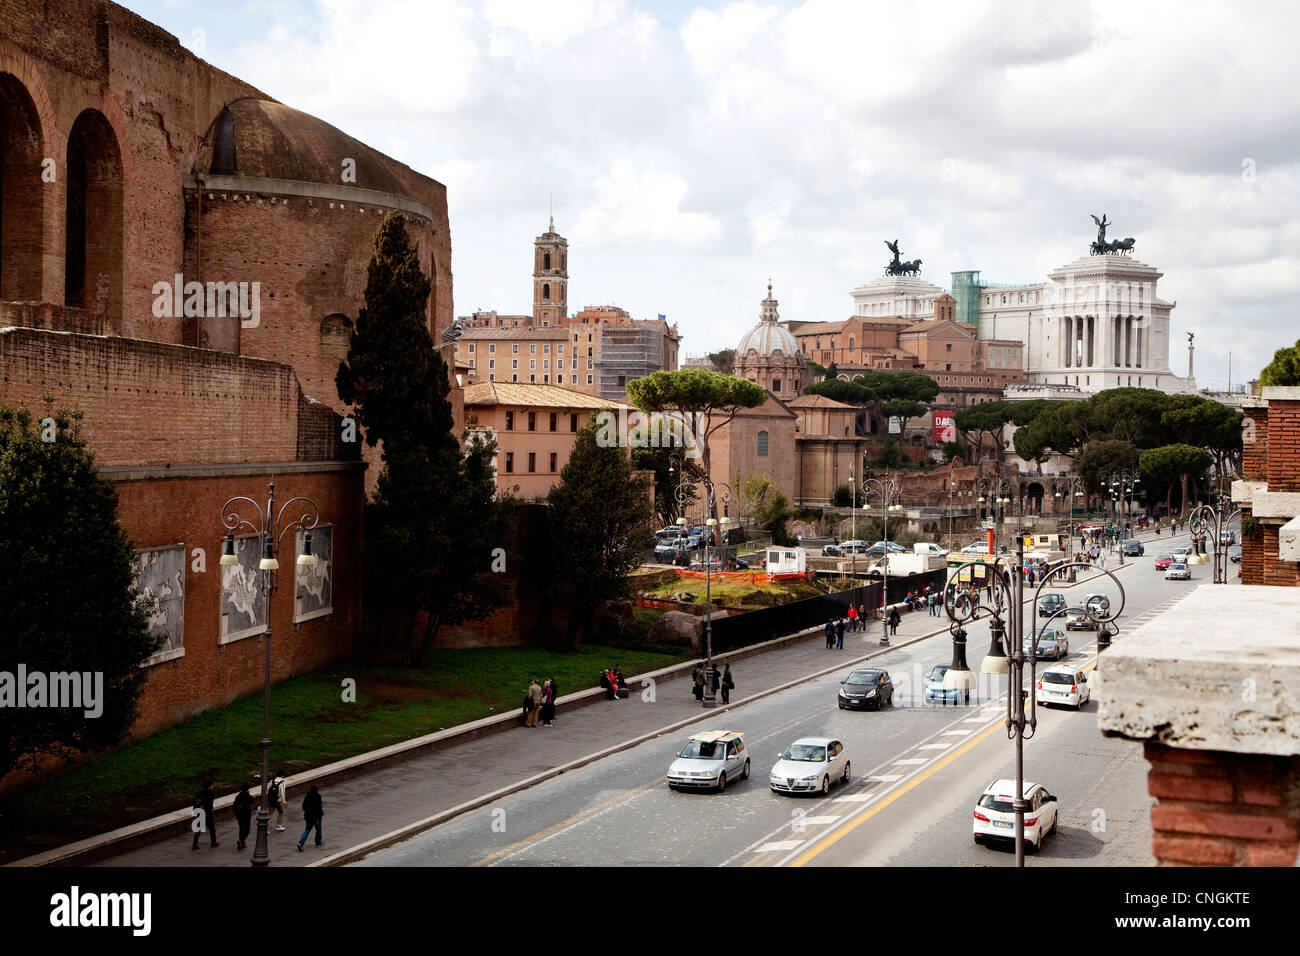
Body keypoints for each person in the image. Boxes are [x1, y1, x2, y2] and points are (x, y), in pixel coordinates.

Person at [191, 780, 219, 850]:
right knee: (212, 829)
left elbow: (195, 802)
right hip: (207, 813)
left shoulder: (199, 792)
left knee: (198, 829)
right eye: (212, 785)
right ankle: (213, 842)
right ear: (209, 787)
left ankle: (194, 845)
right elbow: (209, 804)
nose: (213, 786)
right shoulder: (210, 794)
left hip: (199, 812)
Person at [297, 784, 323, 851]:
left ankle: (300, 843)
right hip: (316, 817)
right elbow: (319, 808)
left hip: (308, 817)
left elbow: (303, 806)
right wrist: (319, 815)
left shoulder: (307, 796)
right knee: (318, 829)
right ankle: (318, 843)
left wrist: (307, 812)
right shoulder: (318, 796)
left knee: (307, 830)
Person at [233, 783, 253, 851]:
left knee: (241, 829)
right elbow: (252, 801)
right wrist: (249, 794)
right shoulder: (248, 796)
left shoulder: (238, 797)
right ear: (247, 790)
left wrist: (236, 815)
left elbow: (234, 807)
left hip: (240, 816)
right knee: (247, 830)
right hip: (246, 816)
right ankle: (241, 841)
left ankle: (242, 843)